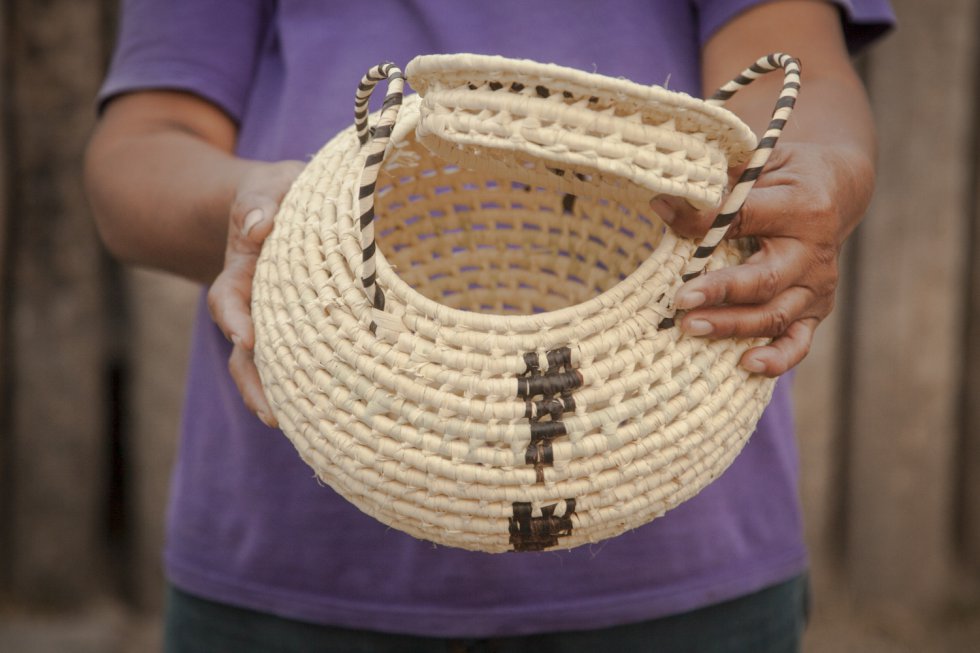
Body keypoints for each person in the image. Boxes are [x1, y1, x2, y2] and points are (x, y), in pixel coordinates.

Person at [84, 1, 894, 651]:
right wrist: (258, 210)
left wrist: (809, 180)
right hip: (288, 565)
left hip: (686, 562)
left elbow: (793, 66)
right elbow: (142, 147)